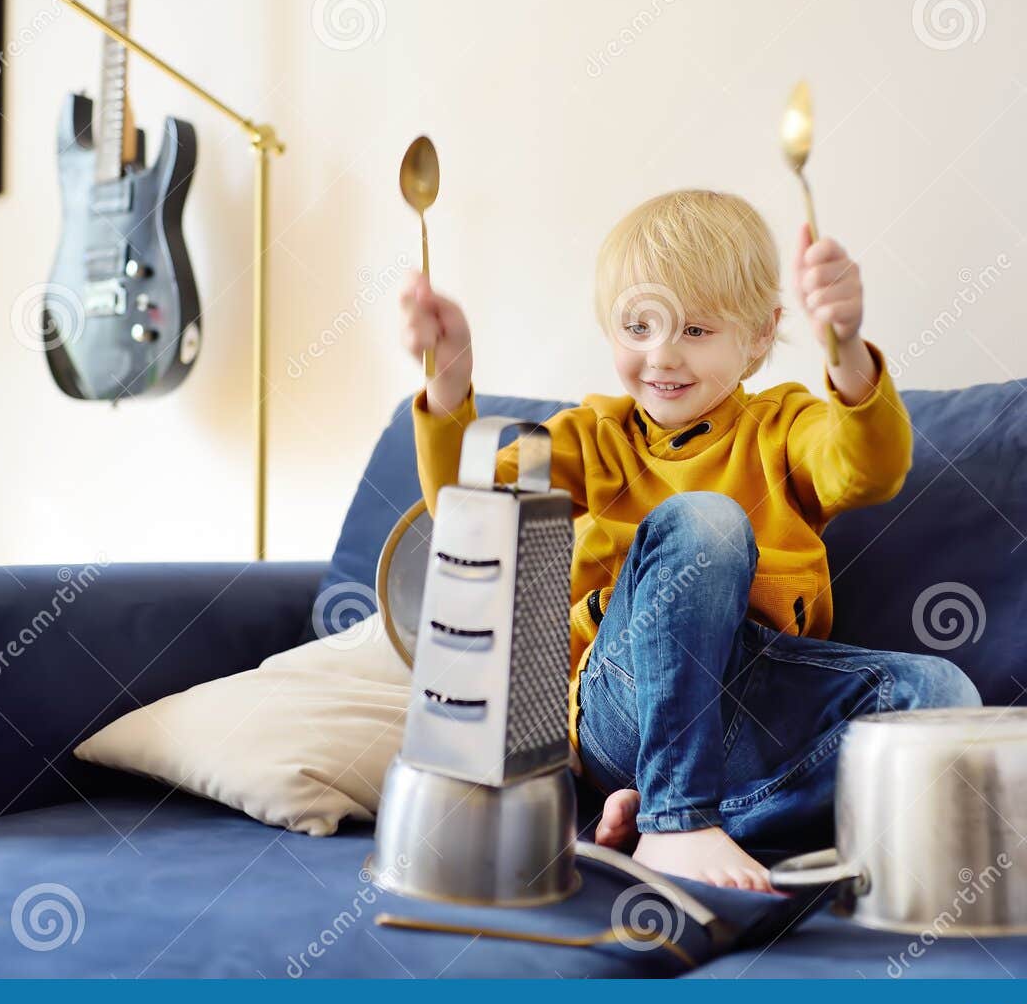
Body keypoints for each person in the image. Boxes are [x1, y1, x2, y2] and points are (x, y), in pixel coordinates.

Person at [399, 189, 981, 891]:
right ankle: (677, 819)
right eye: (637, 326)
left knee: (944, 699)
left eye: (697, 331)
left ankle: (678, 810)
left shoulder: (783, 426)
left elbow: (869, 470)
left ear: (761, 337)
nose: (661, 356)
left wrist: (848, 350)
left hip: (749, 697)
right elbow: (470, 513)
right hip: (624, 697)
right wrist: (450, 385)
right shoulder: (595, 436)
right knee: (705, 521)